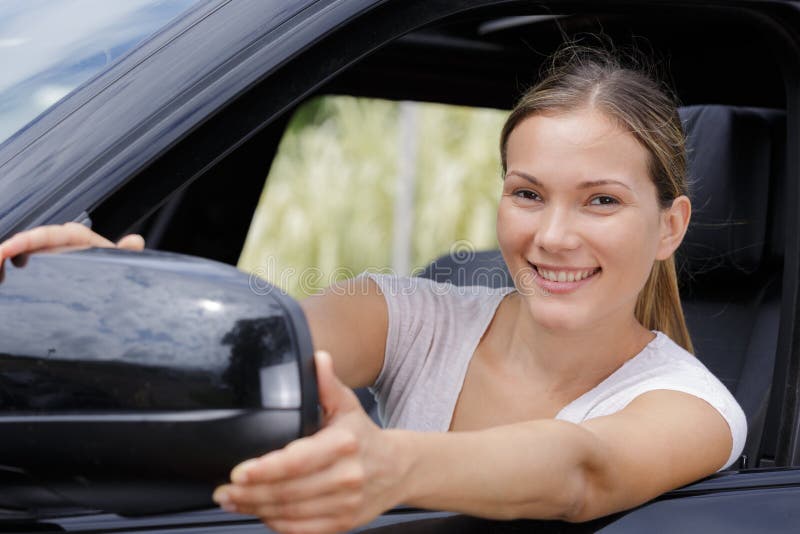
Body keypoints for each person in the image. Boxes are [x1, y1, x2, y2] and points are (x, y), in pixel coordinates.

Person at [0, 45, 746, 534]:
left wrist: (390, 466)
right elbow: (238, 351)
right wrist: (119, 301)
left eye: (601, 201)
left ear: (669, 227)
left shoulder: (695, 409)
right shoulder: (411, 314)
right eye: (527, 193)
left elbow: (581, 469)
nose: (553, 235)